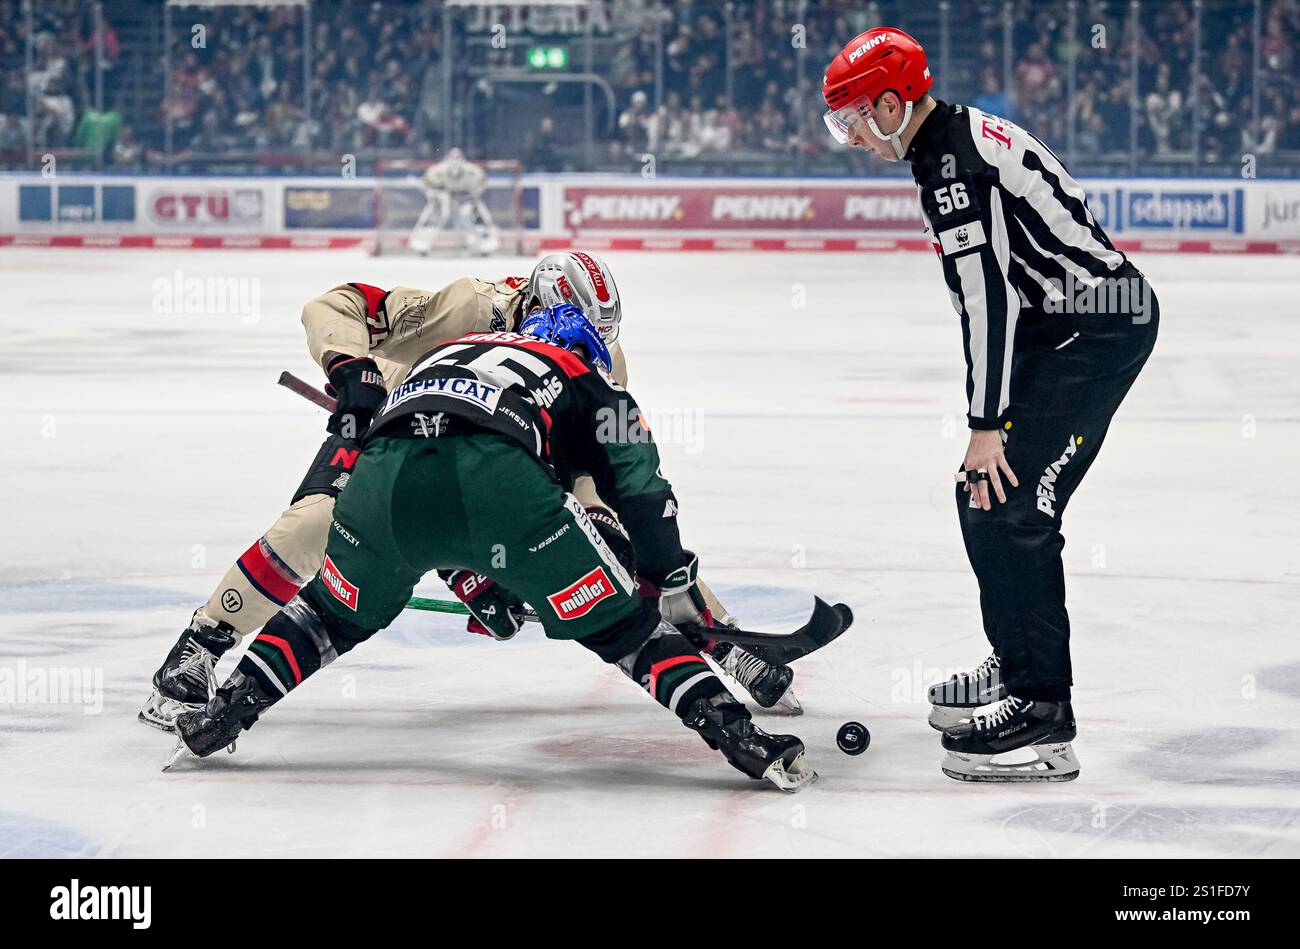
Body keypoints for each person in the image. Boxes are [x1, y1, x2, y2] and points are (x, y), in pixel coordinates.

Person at [139, 253, 798, 732]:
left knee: (608, 538)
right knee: (316, 524)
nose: (577, 337)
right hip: (396, 429)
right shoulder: (470, 304)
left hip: (505, 455)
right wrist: (353, 370)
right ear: (528, 304)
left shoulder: (599, 359)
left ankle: (720, 644)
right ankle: (202, 644)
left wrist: (686, 603)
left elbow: (624, 491)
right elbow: (331, 306)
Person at [822, 28, 1159, 782]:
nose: (847, 136)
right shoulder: (945, 141)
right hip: (1064, 328)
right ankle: (1016, 662)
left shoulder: (951, 165)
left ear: (888, 103)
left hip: (1096, 333)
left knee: (1011, 505)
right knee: (986, 496)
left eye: (850, 118)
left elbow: (989, 302)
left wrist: (985, 425)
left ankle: (1043, 712)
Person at [409, 147, 498, 255]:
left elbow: (481, 185)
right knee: (438, 212)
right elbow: (428, 184)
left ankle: (484, 240)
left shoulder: (473, 172)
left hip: (465, 198)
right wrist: (436, 195)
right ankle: (422, 240)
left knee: (470, 213)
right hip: (444, 197)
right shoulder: (436, 171)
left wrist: (470, 196)